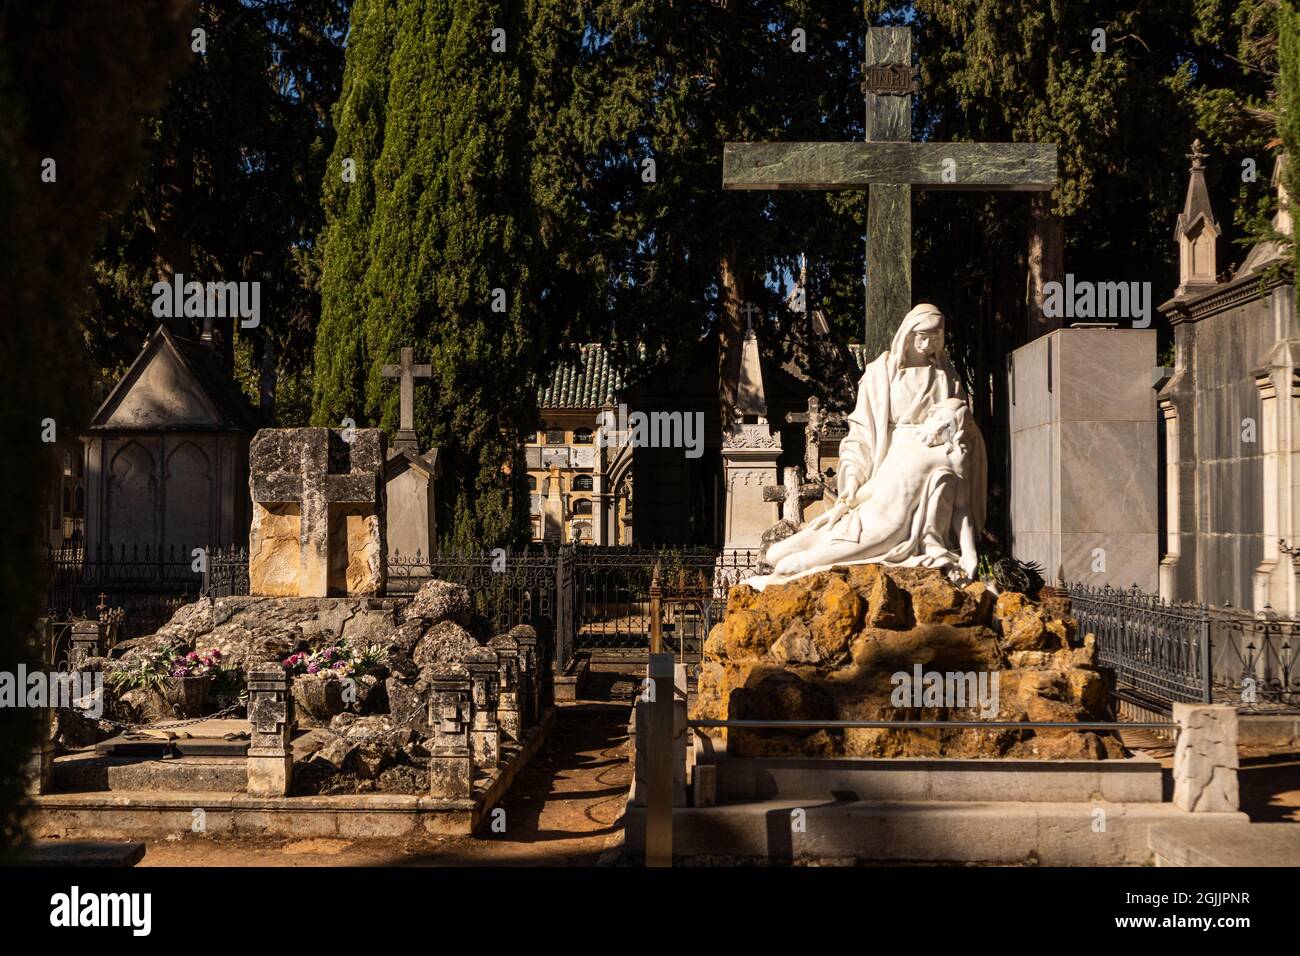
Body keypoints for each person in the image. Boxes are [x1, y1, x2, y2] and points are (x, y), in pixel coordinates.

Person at [750, 304, 986, 590]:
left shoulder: (946, 377)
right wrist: (851, 480)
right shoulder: (882, 373)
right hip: (888, 465)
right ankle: (795, 556)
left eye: (936, 338)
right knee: (829, 530)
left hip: (922, 473)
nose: (928, 344)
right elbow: (860, 435)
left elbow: (963, 434)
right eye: (921, 336)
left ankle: (799, 565)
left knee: (869, 535)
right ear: (907, 333)